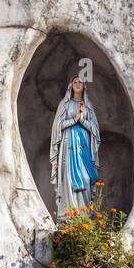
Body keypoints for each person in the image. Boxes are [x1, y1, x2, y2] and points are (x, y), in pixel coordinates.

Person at [48, 76, 101, 216]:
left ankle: (84, 216)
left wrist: (82, 121)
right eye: (75, 82)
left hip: (84, 149)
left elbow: (95, 129)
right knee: (69, 180)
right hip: (68, 148)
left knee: (85, 178)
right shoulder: (65, 104)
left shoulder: (88, 106)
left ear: (84, 86)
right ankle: (69, 216)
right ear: (71, 86)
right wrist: (74, 120)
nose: (78, 84)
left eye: (80, 82)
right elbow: (57, 127)